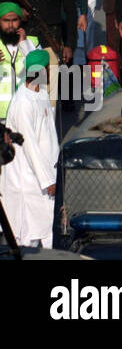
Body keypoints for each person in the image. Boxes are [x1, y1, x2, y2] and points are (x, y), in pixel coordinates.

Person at [0, 49, 58, 247]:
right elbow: (30, 145)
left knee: (47, 230)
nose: (50, 71)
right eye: (47, 68)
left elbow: (48, 136)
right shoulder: (22, 102)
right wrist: (47, 180)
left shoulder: (40, 92)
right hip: (27, 179)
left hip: (44, 174)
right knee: (28, 237)